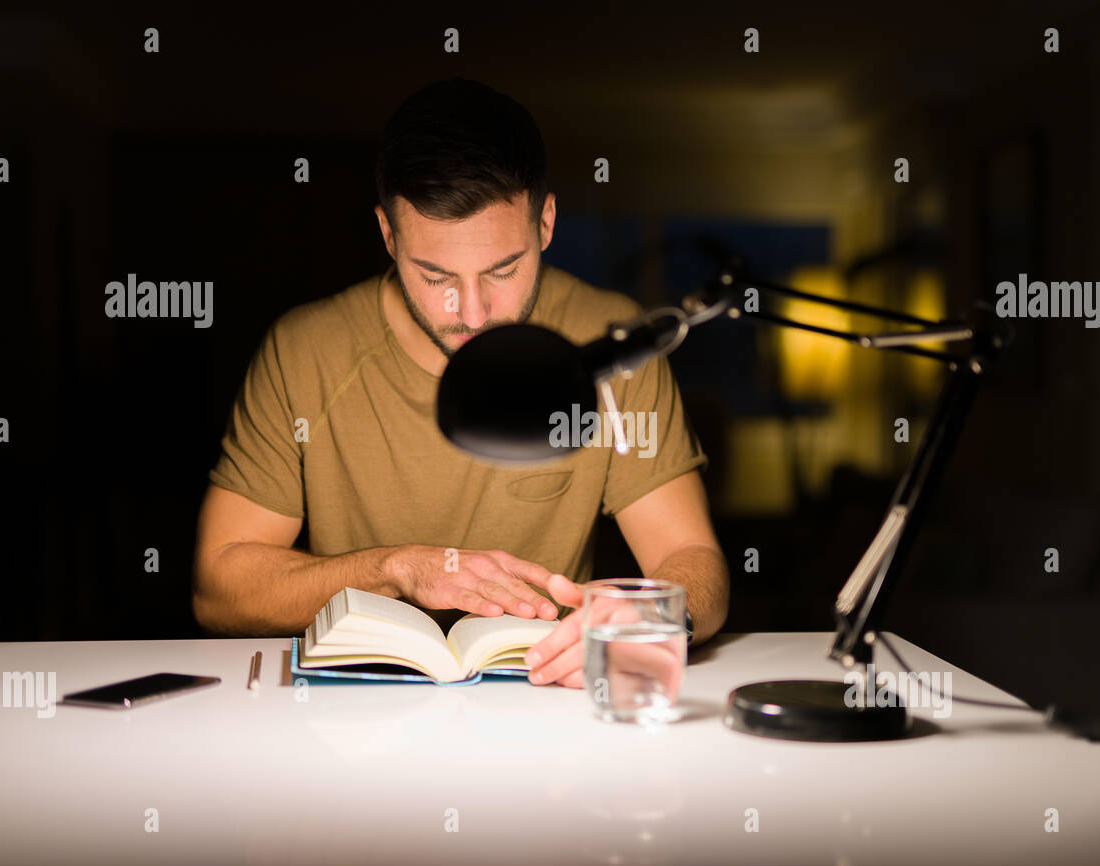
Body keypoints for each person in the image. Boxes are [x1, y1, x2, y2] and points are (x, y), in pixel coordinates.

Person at [191, 77, 729, 689]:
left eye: (503, 269)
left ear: (546, 223)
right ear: (388, 236)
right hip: (349, 730)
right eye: (434, 274)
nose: (472, 311)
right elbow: (219, 586)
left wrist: (652, 616)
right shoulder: (305, 350)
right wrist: (394, 569)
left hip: (549, 713)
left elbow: (694, 563)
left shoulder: (614, 349)